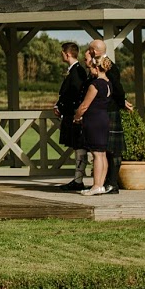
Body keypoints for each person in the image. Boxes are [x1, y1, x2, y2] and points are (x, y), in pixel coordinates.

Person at [88, 38, 130, 194]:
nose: (89, 52)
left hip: (109, 109)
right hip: (106, 110)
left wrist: (121, 102)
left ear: (95, 51)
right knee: (104, 149)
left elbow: (118, 89)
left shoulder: (109, 66)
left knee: (112, 149)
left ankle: (112, 183)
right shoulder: (99, 65)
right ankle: (106, 182)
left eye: (90, 49)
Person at [73, 53, 114, 196]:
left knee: (96, 154)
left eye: (91, 67)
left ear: (96, 68)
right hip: (103, 120)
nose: (90, 70)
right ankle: (100, 184)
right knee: (102, 154)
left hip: (94, 121)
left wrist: (76, 116)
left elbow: (84, 105)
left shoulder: (95, 85)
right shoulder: (109, 83)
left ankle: (96, 185)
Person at [53, 42, 90, 191]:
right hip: (72, 114)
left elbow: (75, 95)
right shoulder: (75, 70)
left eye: (62, 52)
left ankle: (78, 179)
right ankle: (77, 178)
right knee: (77, 147)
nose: (61, 55)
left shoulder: (77, 72)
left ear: (67, 54)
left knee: (79, 147)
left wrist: (62, 107)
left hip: (75, 116)